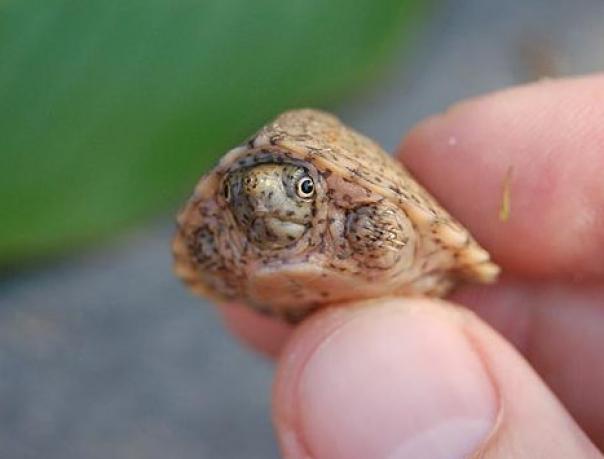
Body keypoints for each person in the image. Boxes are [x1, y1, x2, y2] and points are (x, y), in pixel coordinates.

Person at [221, 74, 604, 459]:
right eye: (243, 199)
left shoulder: (357, 212)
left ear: (317, 192)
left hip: (410, 281)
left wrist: (370, 239)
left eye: (301, 189)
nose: (267, 204)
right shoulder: (232, 238)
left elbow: (391, 228)